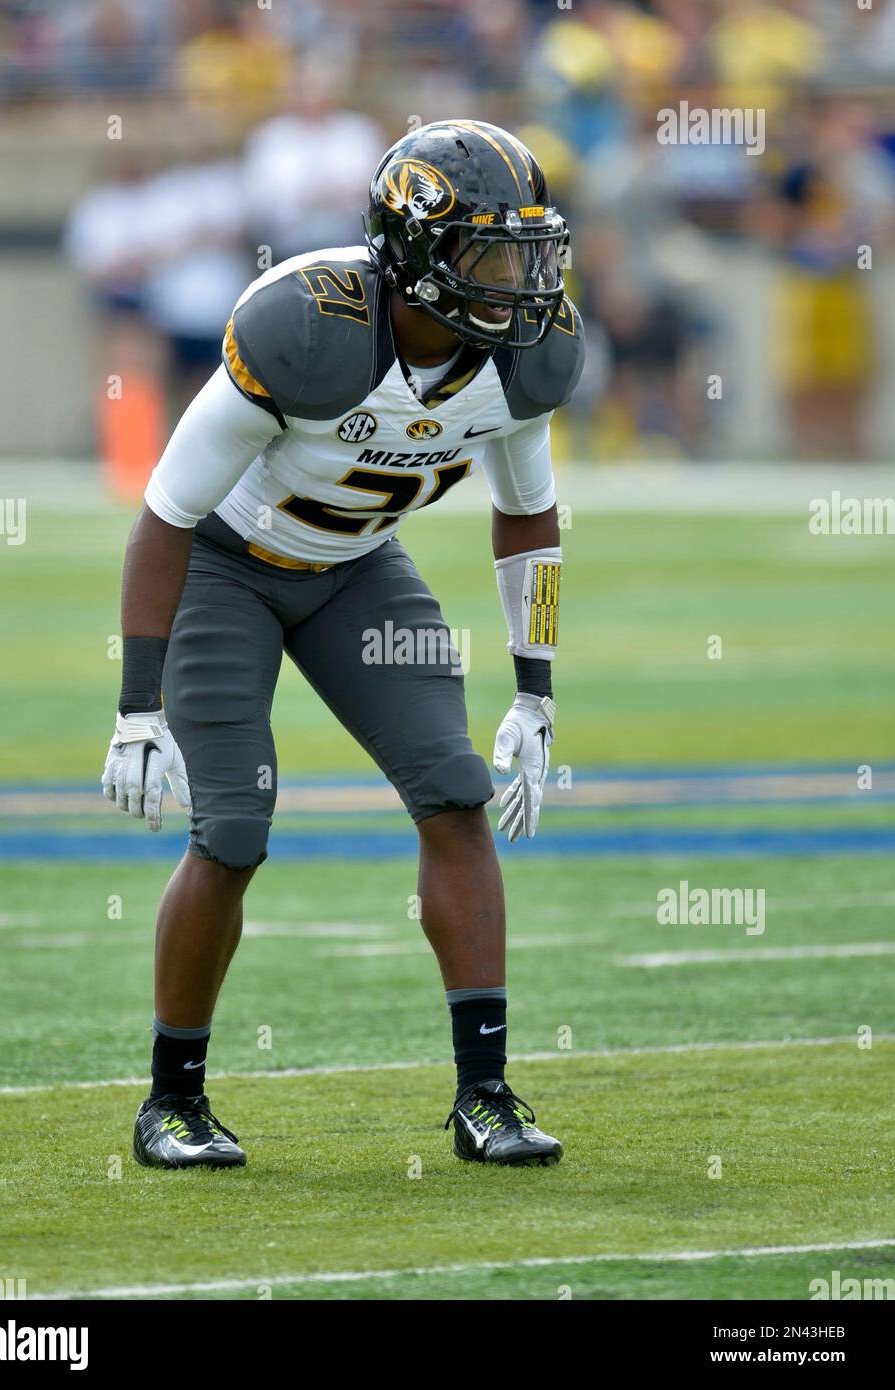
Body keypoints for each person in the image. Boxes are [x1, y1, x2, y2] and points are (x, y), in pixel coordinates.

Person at [102, 119, 584, 1169]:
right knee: (232, 830)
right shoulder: (307, 324)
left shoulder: (522, 354)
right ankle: (170, 1100)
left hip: (356, 570)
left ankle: (485, 1094)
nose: (519, 280)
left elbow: (528, 514)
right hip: (225, 567)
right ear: (414, 254)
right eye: (490, 254)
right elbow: (167, 514)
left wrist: (535, 688)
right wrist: (137, 704)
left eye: (527, 250)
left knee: (455, 792)